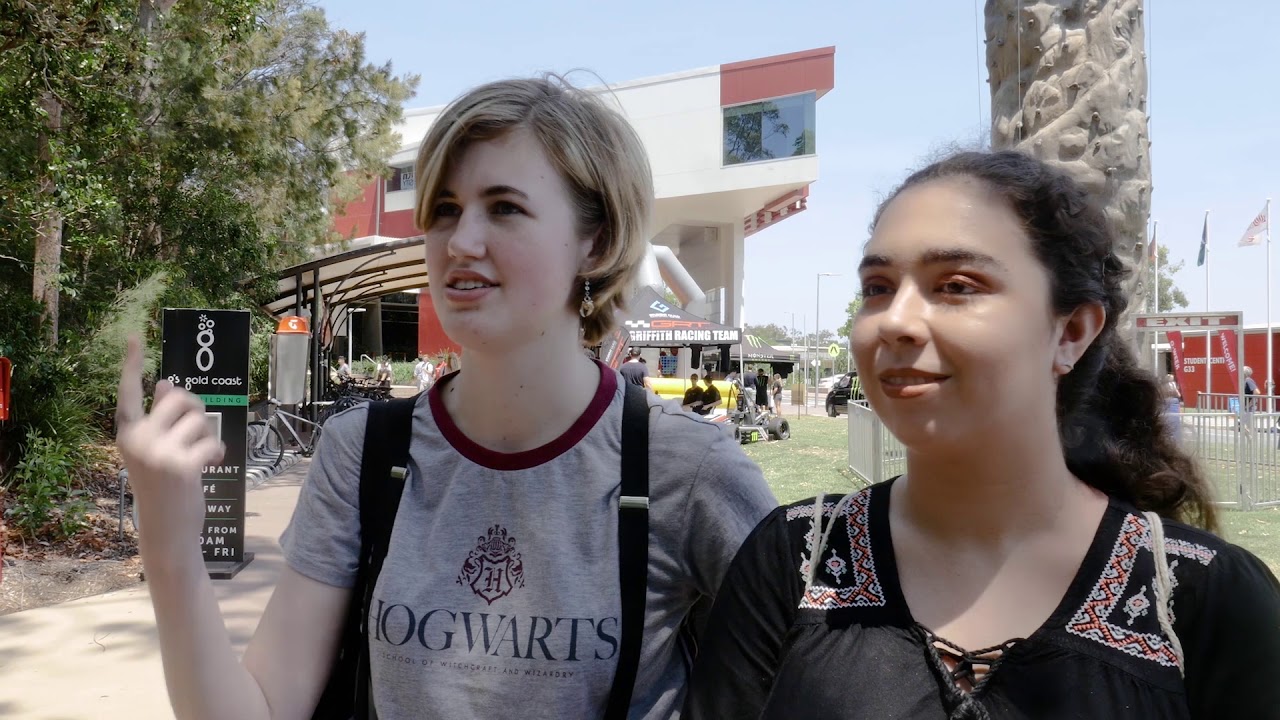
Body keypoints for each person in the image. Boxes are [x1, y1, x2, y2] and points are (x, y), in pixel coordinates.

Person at [116, 75, 777, 720]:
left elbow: (819, 671)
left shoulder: (686, 470)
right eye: (445, 210)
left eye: (505, 207)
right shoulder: (363, 454)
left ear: (595, 241)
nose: (460, 243)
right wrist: (172, 550)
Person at [683, 151, 1280, 719]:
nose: (894, 320)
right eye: (878, 287)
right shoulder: (797, 559)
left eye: (957, 285)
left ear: (1071, 330)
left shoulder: (1203, 597)